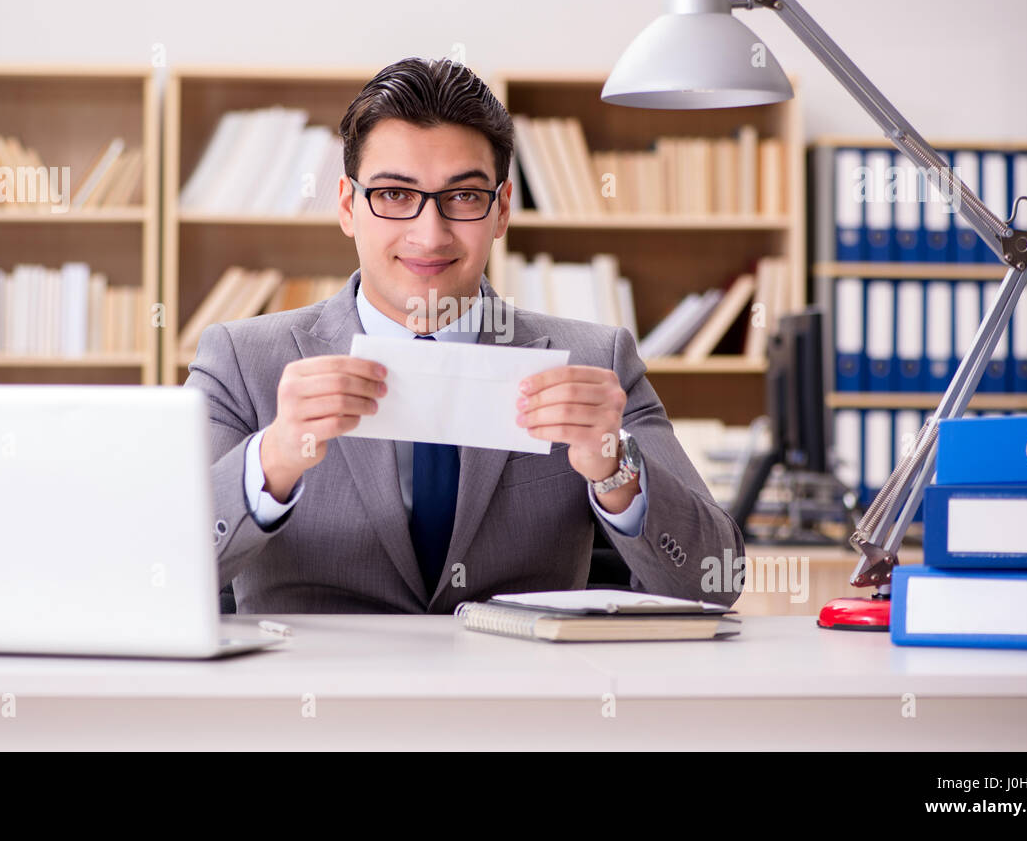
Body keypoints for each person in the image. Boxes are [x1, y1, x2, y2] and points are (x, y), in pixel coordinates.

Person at [186, 57, 744, 614]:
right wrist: (272, 459)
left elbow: (716, 583)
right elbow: (158, 573)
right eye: (396, 195)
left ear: (500, 210)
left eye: (463, 197)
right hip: (321, 693)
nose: (430, 235)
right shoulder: (242, 360)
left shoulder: (598, 362)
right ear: (347, 206)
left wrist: (618, 471)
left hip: (516, 693)